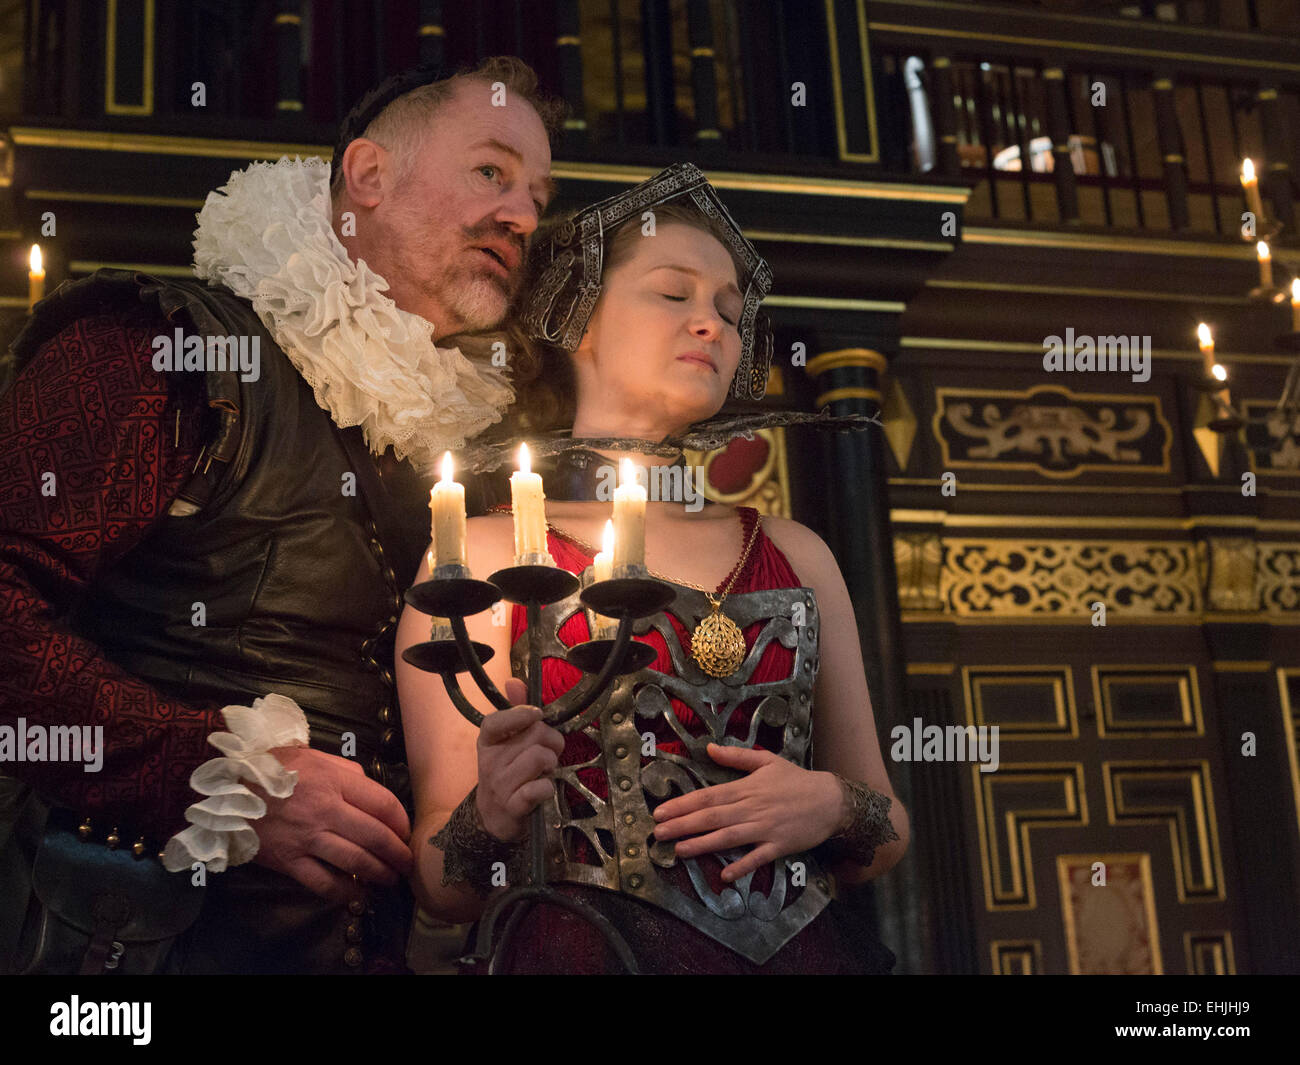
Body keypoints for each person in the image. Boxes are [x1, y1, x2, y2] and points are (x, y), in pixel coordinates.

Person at [0, 56, 561, 974]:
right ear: (368, 176)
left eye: (537, 194)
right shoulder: (166, 348)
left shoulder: (459, 454)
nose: (524, 215)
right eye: (492, 172)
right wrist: (213, 776)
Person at [396, 164, 909, 974]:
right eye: (675, 294)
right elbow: (440, 884)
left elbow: (886, 829)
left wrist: (830, 804)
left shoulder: (796, 552)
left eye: (729, 310)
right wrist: (487, 813)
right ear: (578, 320)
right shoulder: (486, 558)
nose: (710, 322)